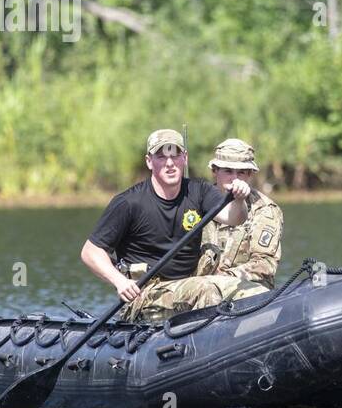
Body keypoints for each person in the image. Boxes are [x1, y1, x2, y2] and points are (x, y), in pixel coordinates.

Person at [80, 128, 251, 323]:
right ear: (149, 161)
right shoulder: (129, 203)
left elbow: (234, 218)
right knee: (207, 291)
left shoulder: (199, 191)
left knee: (248, 291)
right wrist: (119, 281)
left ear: (184, 158)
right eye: (161, 157)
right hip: (147, 295)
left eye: (175, 155)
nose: (170, 163)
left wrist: (239, 200)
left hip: (191, 282)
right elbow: (90, 251)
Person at [194, 137, 283, 297]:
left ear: (250, 175)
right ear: (215, 171)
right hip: (198, 292)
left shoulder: (264, 209)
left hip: (244, 292)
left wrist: (221, 280)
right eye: (228, 171)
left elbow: (264, 264)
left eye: (241, 172)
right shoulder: (194, 202)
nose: (234, 178)